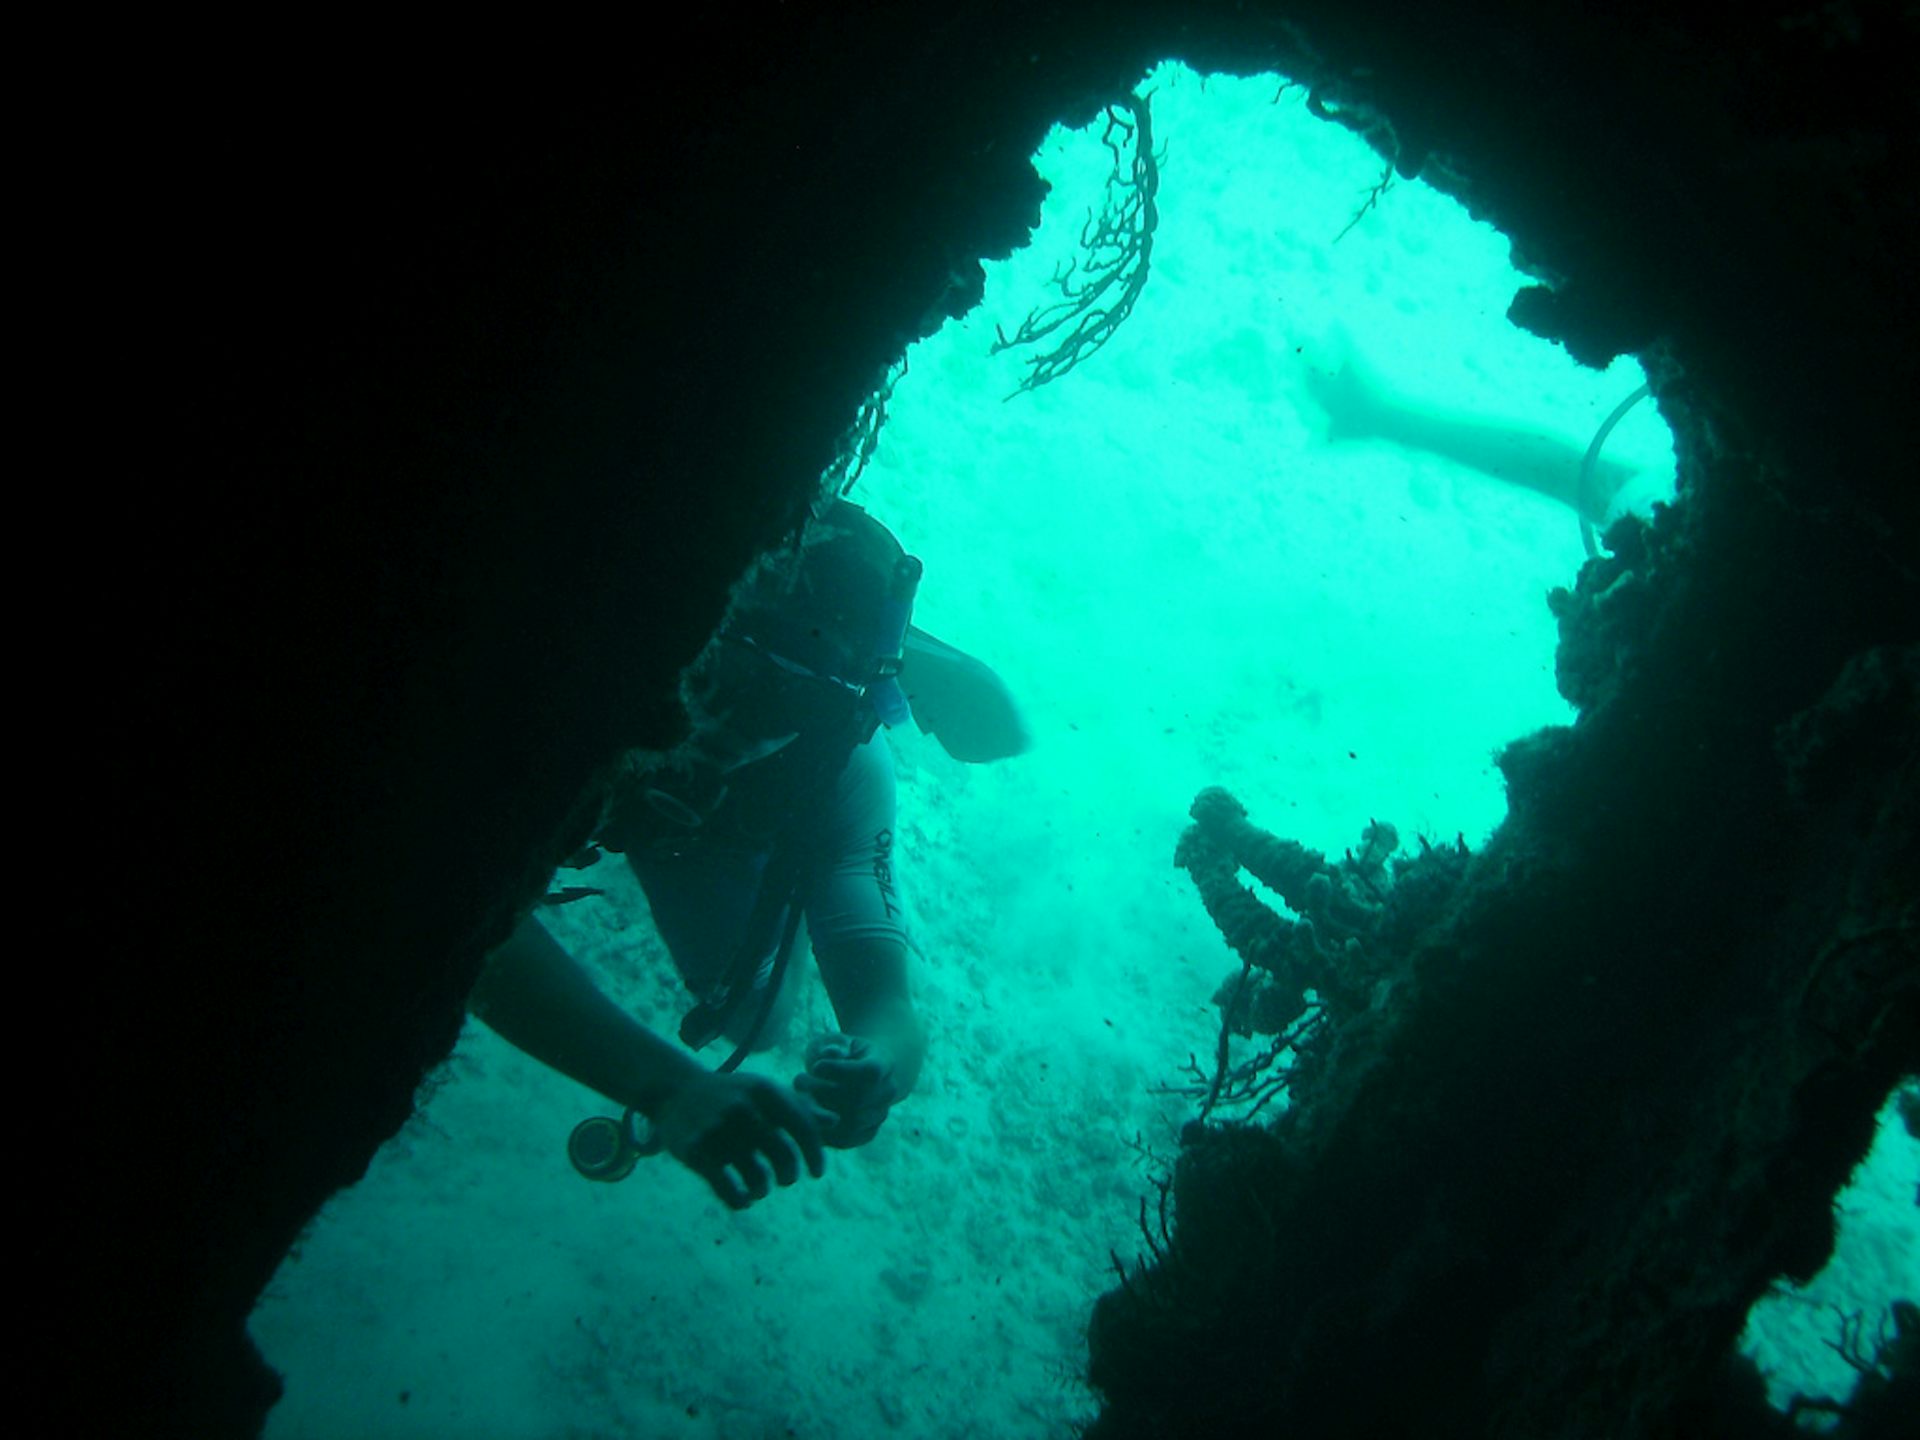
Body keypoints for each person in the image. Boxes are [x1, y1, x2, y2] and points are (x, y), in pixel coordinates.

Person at [469, 499, 1027, 1210]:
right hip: (680, 813)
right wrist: (667, 1088)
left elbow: (886, 1004)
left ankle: (879, 640)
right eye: (715, 680)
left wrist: (879, 1061)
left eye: (779, 704)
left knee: (755, 1021)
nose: (723, 730)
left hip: (705, 844)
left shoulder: (840, 766)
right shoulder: (570, 678)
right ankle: (872, 638)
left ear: (829, 713)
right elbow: (456, 921)